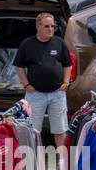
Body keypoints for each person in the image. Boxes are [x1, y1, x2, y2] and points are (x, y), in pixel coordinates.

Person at [13, 12, 71, 151]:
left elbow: (67, 64)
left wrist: (66, 82)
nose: (51, 29)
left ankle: (62, 162)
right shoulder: (27, 44)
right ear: (38, 26)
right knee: (32, 131)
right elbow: (19, 66)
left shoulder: (59, 43)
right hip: (35, 94)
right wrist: (26, 84)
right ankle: (33, 161)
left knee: (60, 130)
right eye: (47, 26)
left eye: (52, 26)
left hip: (58, 93)